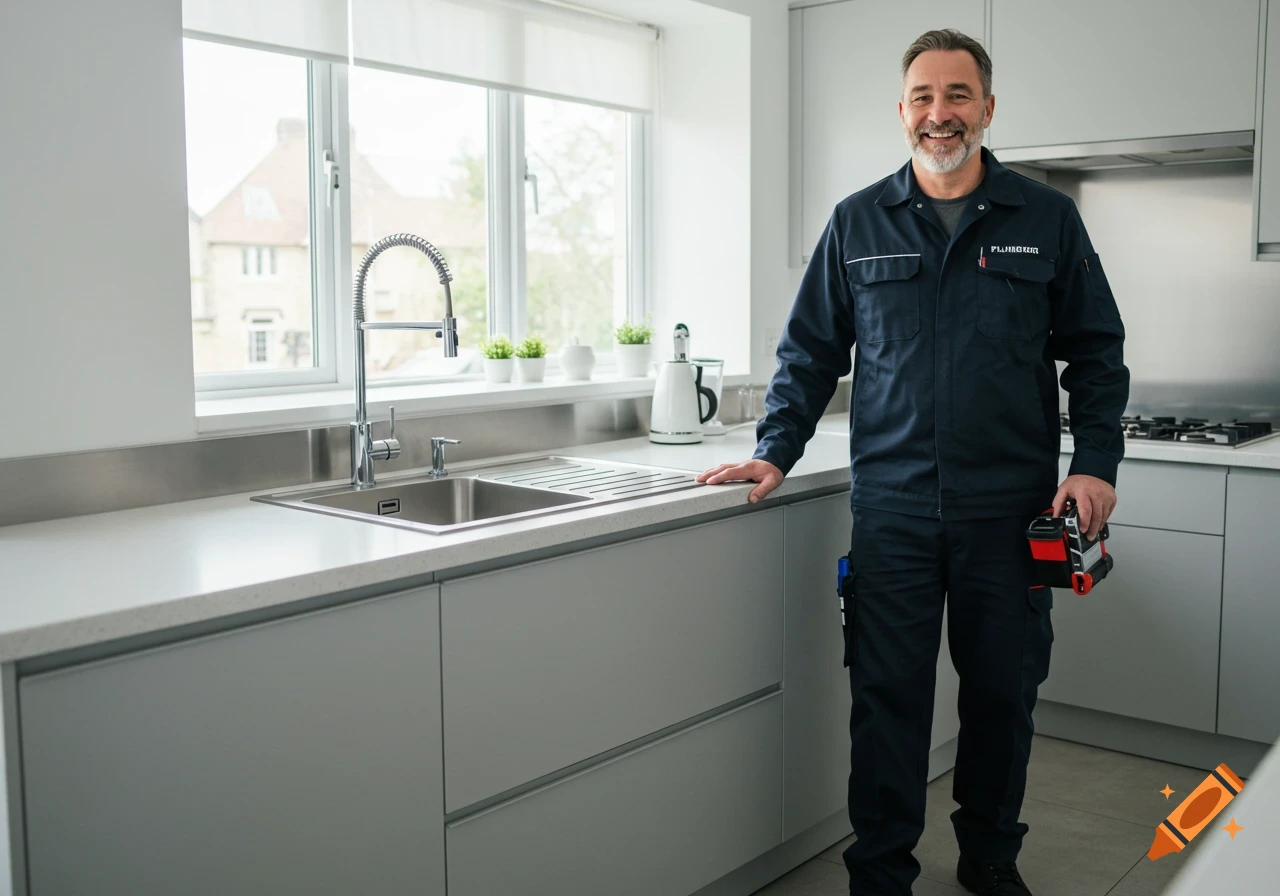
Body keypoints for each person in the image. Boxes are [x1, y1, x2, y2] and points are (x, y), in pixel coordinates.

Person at [697, 28, 1128, 896]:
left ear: (988, 109)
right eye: (925, 97)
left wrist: (1095, 464)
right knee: (888, 703)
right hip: (892, 508)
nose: (942, 114)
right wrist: (773, 451)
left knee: (1002, 700)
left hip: (1010, 513)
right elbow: (810, 353)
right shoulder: (858, 221)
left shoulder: (1045, 217)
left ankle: (990, 857)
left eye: (959, 95)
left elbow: (1096, 352)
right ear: (902, 112)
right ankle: (881, 870)